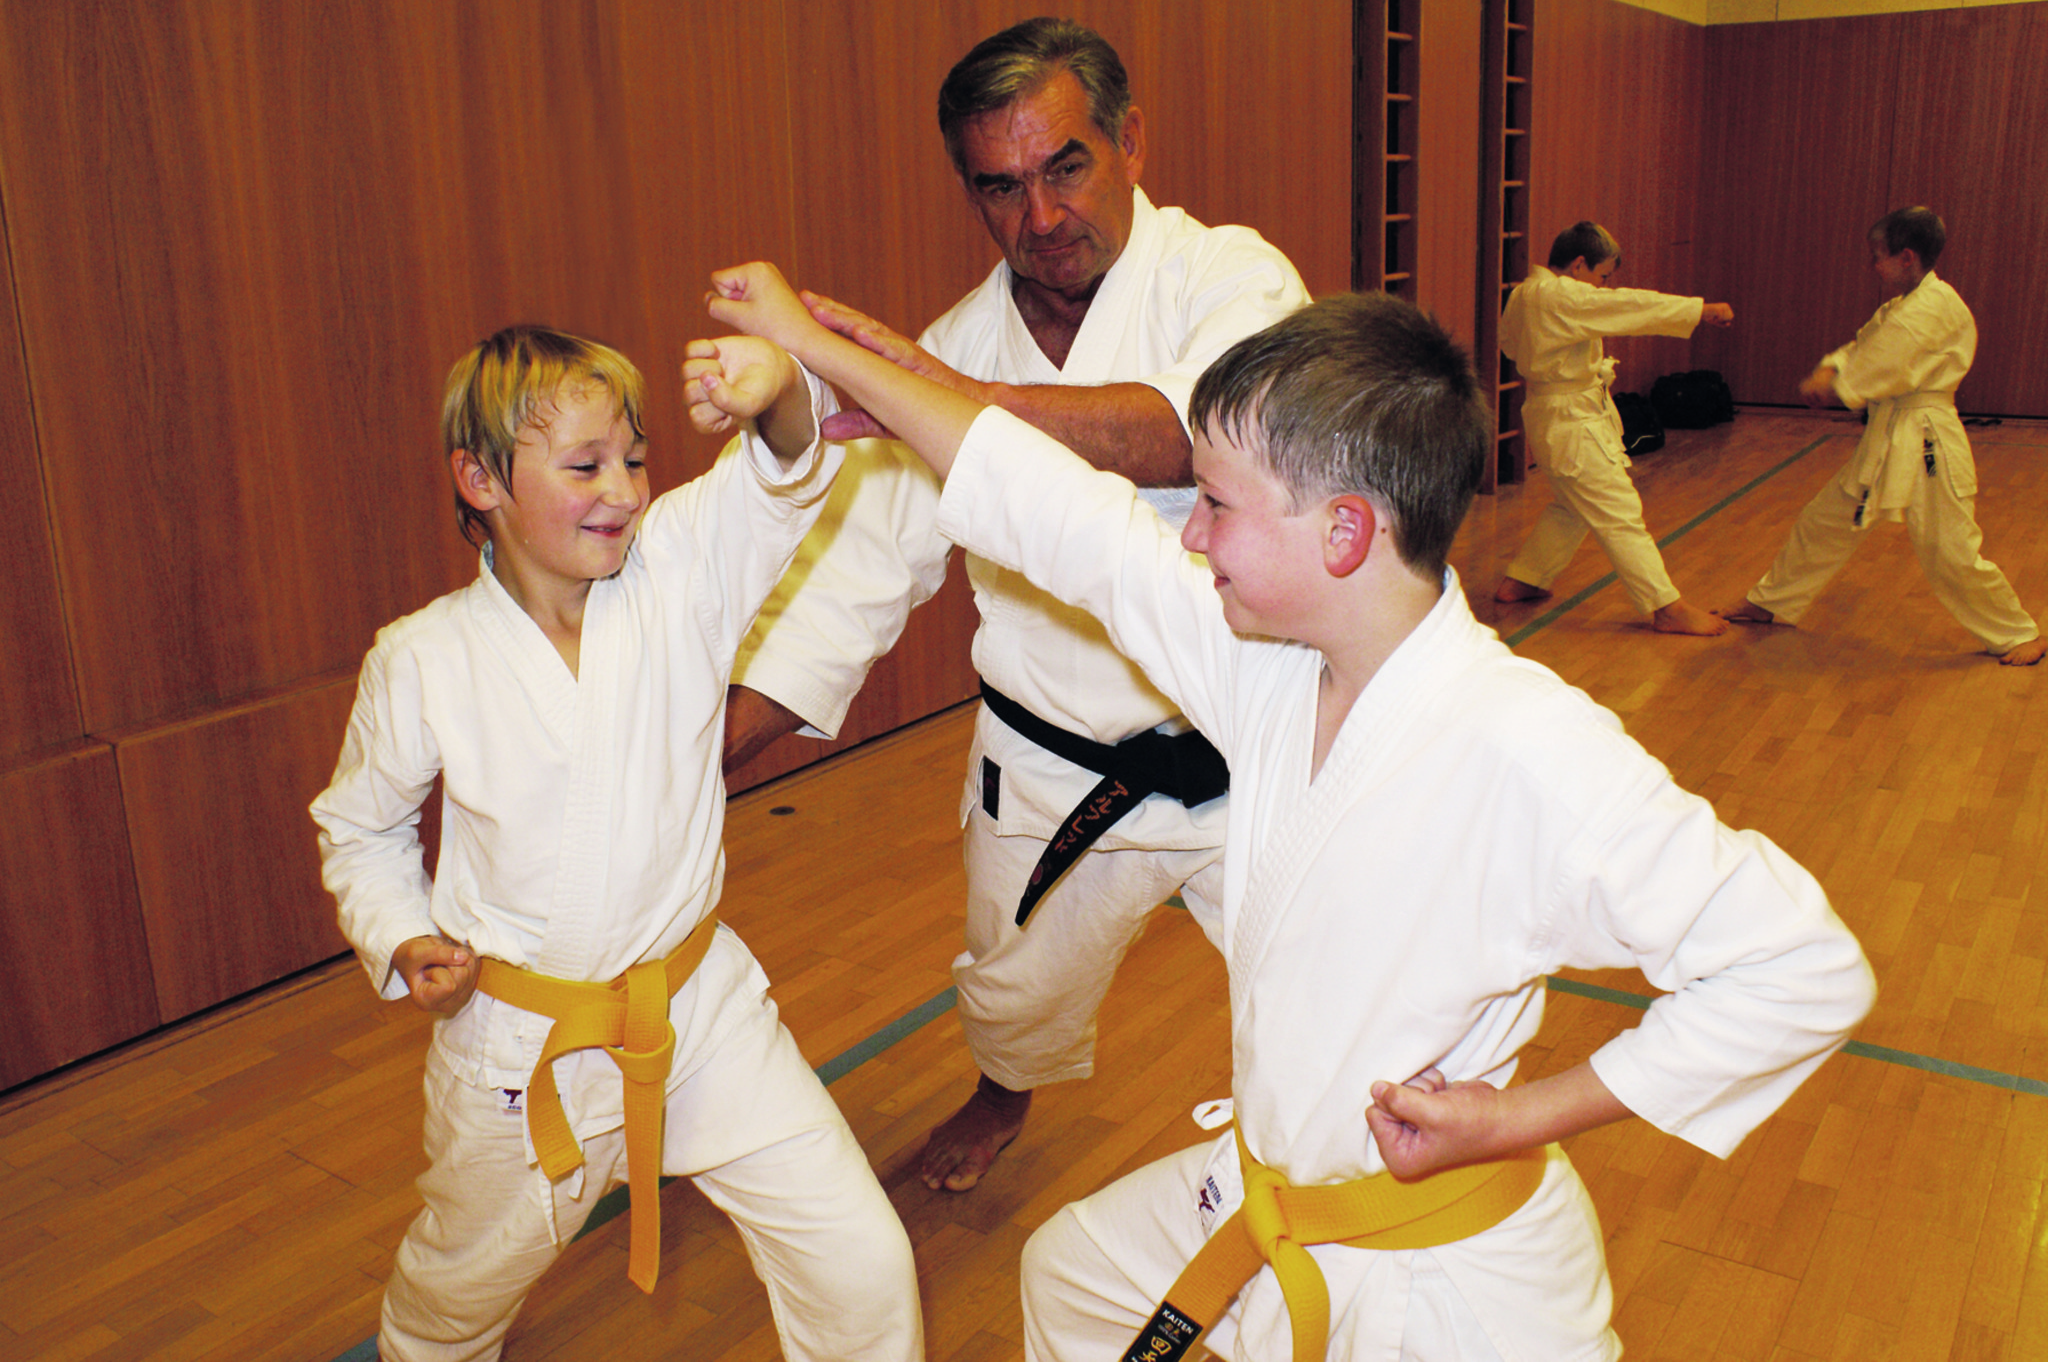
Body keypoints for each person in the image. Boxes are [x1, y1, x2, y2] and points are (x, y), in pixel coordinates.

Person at [704, 263, 1876, 1361]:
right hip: (1275, 1189)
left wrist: (1517, 1116)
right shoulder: (1266, 667)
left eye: (1211, 503)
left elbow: (1799, 969)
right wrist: (840, 359)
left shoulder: (1525, 748)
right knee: (1072, 1274)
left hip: (1450, 1280)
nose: (1190, 534)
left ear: (1344, 532)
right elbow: (1072, 522)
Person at [722, 17, 1310, 1192]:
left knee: (1329, 979)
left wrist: (944, 400)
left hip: (1249, 744)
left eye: (1065, 167)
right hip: (1048, 763)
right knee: (1008, 992)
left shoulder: (1229, 276)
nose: (1039, 219)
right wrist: (694, 758)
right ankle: (1001, 1096)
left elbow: (1197, 428)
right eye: (999, 188)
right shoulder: (948, 348)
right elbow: (851, 587)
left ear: (1129, 140)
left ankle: (1330, 1157)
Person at [310, 327, 922, 1362]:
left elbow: (776, 474)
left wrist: (775, 395)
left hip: (696, 1005)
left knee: (858, 1256)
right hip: (523, 1041)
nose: (626, 491)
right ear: (480, 479)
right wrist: (403, 938)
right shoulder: (422, 659)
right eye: (585, 464)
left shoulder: (678, 572)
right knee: (459, 1290)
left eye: (634, 459)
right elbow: (359, 828)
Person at [1721, 207, 2044, 666]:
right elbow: (1862, 346)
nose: (1873, 266)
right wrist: (1833, 367)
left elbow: (1880, 364)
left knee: (1947, 546)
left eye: (1878, 256)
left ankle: (2016, 633)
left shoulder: (1931, 309)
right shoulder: (1903, 306)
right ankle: (1771, 601)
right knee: (1826, 519)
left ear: (1907, 257)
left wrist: (1833, 386)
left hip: (1927, 439)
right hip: (1892, 435)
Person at [1492, 221, 1735, 636]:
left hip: (1551, 411)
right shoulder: (1562, 294)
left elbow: (1509, 346)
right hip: (1571, 419)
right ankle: (1666, 607)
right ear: (1579, 264)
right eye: (1601, 277)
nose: (1601, 289)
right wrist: (1698, 310)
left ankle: (1526, 578)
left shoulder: (1523, 295)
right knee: (1620, 513)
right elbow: (1628, 307)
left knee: (1573, 504)